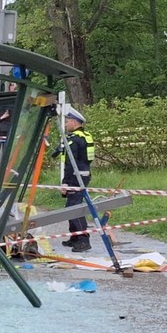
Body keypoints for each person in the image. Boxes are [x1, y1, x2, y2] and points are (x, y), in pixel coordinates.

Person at [54, 108, 95, 253]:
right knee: (71, 207)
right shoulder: (85, 136)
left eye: (67, 122)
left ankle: (83, 240)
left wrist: (65, 182)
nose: (65, 125)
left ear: (73, 122)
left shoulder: (73, 140)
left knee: (74, 209)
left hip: (75, 178)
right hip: (83, 176)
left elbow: (70, 163)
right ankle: (75, 237)